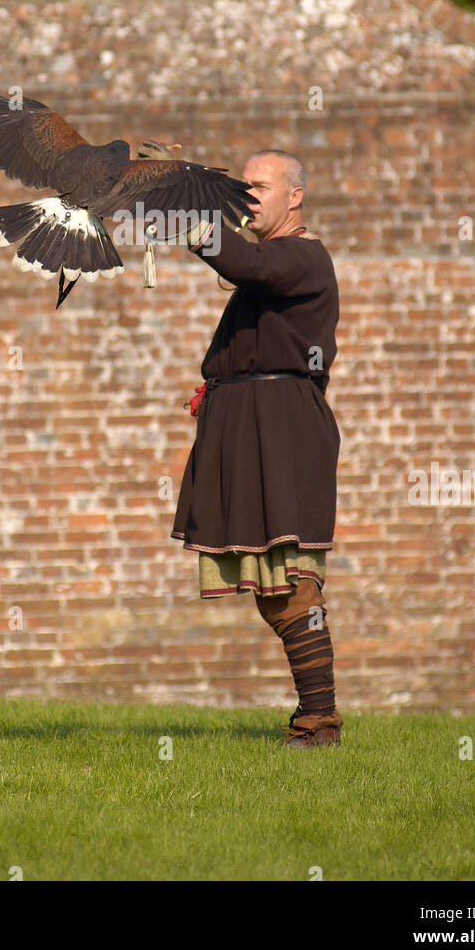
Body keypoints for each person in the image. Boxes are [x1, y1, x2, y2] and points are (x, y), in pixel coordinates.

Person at [172, 150, 344, 747]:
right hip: (245, 421)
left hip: (283, 427)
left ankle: (319, 721)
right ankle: (316, 715)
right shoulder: (273, 263)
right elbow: (239, 264)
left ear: (294, 196)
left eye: (258, 186)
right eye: (240, 186)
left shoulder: (305, 255)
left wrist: (183, 196)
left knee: (291, 580)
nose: (247, 196)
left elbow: (240, 259)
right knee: (273, 585)